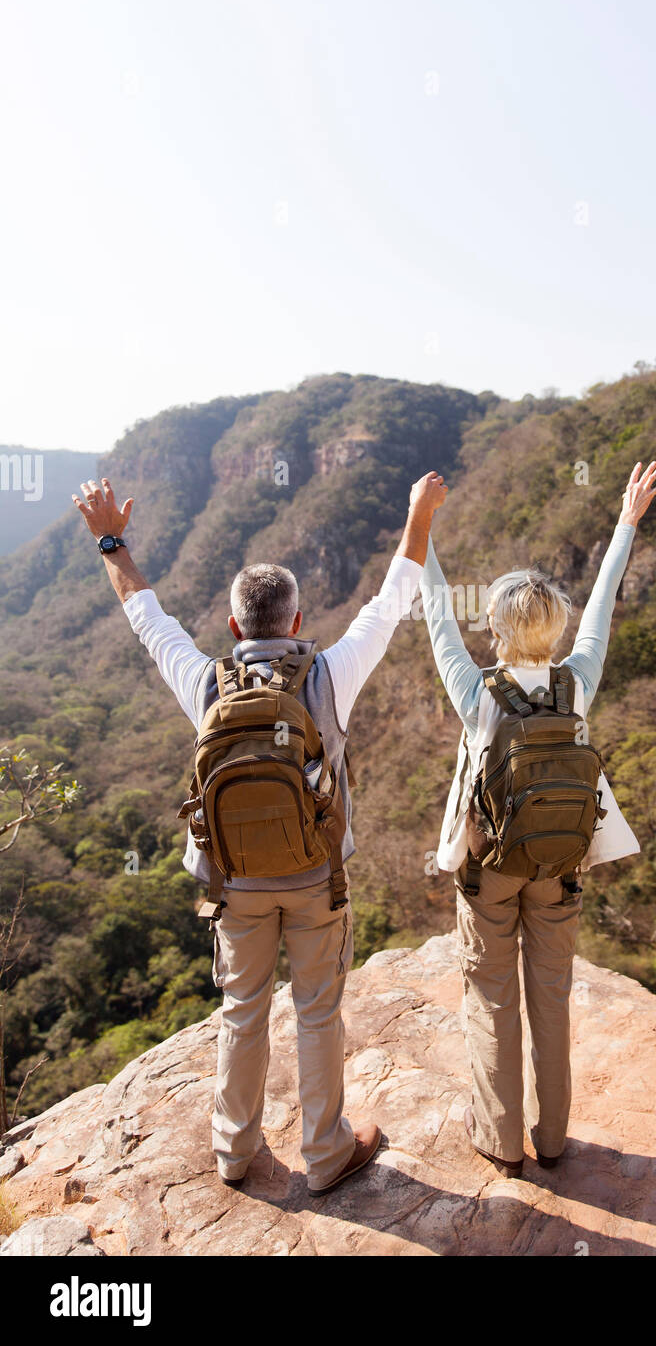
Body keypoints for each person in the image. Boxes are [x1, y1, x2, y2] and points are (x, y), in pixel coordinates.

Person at [72, 469, 448, 1195]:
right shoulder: (330, 676)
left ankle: (234, 1152)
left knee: (241, 1010)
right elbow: (393, 594)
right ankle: (325, 1151)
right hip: (315, 880)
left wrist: (109, 537)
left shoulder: (207, 683)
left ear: (236, 627)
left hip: (234, 882)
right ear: (298, 623)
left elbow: (145, 616)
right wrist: (419, 514)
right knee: (317, 1010)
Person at [418, 460, 656, 1177]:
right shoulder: (576, 682)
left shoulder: (477, 691)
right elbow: (605, 605)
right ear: (556, 630)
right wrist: (625, 523)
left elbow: (436, 610)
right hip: (559, 863)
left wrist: (422, 531)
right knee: (551, 1000)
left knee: (492, 998)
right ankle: (553, 1138)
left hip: (489, 869)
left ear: (495, 629)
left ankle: (500, 1143)